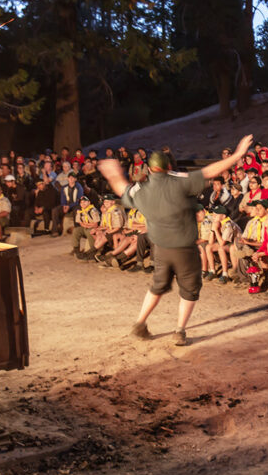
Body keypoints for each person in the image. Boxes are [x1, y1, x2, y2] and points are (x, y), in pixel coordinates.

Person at [98, 134, 254, 346]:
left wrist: (113, 174)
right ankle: (179, 330)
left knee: (157, 286)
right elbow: (210, 171)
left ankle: (140, 323)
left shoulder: (140, 189)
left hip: (160, 247)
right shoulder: (181, 182)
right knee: (189, 289)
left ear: (150, 169)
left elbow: (121, 188)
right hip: (185, 248)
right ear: (168, 166)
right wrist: (238, 154)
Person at [69, 195, 101, 259]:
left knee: (89, 231)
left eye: (84, 202)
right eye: (81, 202)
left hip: (94, 228)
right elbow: (80, 223)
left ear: (89, 202)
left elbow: (95, 224)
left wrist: (87, 225)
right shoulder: (80, 211)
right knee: (76, 230)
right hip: (85, 227)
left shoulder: (93, 210)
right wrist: (85, 225)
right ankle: (76, 250)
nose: (83, 204)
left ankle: (92, 252)